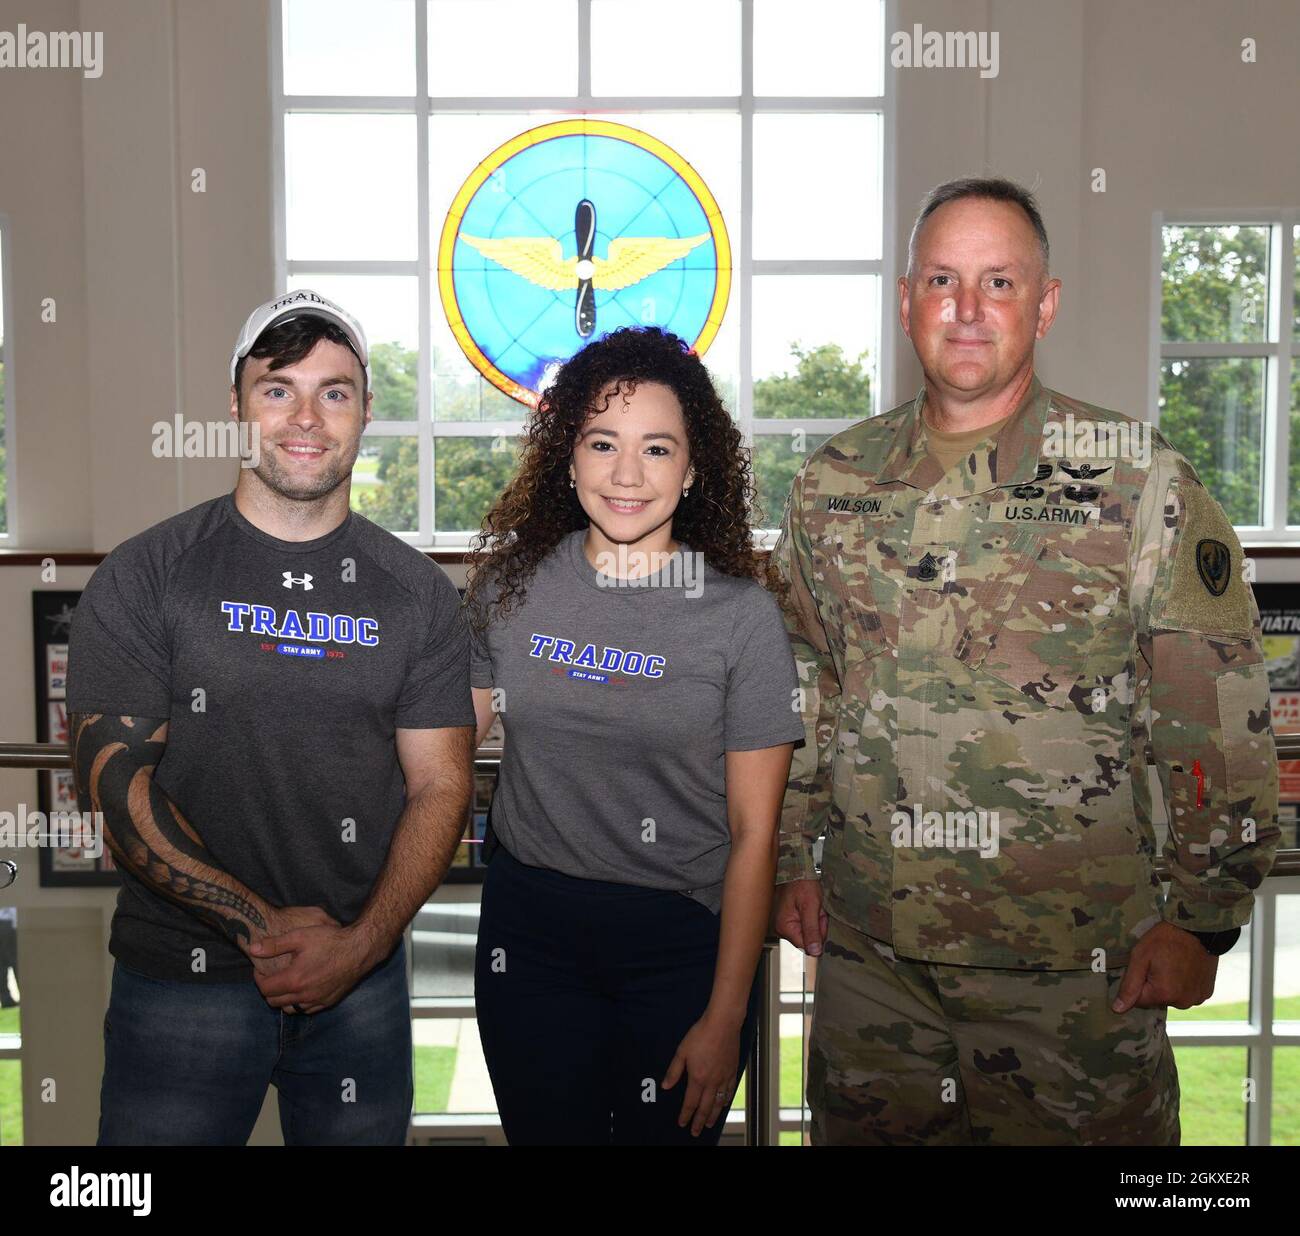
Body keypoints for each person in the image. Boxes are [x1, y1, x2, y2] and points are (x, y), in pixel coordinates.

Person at [771, 177, 1279, 1146]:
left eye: (998, 282)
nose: (966, 310)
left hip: (1076, 976)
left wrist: (1204, 916)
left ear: (1043, 304)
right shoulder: (832, 484)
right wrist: (792, 856)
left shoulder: (1135, 480)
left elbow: (1214, 702)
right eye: (941, 280)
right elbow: (805, 678)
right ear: (905, 298)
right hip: (875, 966)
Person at [66, 290, 476, 1145]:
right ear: (235, 406)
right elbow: (115, 781)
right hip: (178, 978)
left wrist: (359, 947)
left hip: (362, 983)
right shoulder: (147, 575)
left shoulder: (419, 599)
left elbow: (442, 784)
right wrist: (264, 931)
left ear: (366, 412)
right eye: (276, 387)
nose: (306, 416)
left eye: (334, 391)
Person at [466, 326, 803, 1145]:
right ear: (567, 457)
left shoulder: (740, 618)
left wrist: (726, 1015)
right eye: (601, 443)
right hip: (529, 937)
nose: (626, 474)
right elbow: (435, 758)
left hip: (680, 946)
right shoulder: (508, 590)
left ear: (692, 471)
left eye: (657, 449)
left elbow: (754, 834)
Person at [0, 905, 17, 1009]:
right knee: (16, 961)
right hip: (7, 922)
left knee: (1, 964)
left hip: (6, 921)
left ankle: (6, 1000)